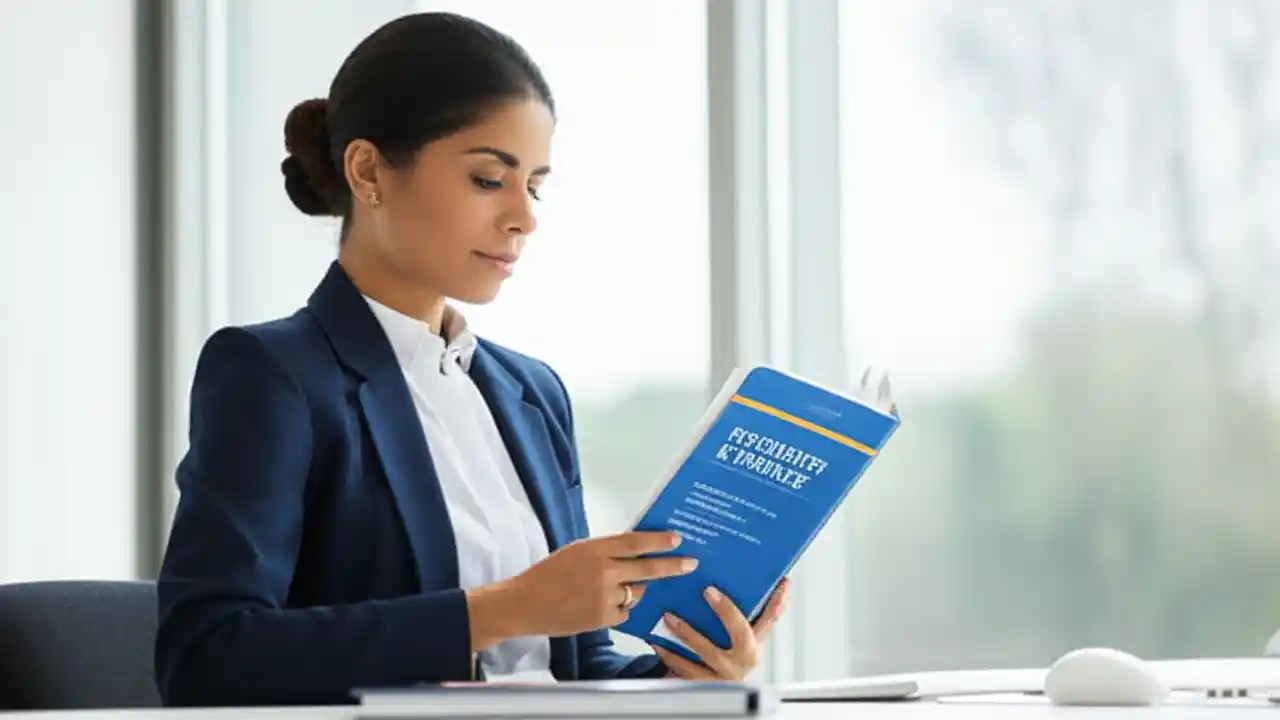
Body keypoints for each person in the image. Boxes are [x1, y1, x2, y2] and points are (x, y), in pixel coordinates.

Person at [154, 12, 789, 707]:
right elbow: (206, 656)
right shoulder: (274, 374)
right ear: (368, 171)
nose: (525, 217)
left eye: (536, 185)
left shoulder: (530, 392)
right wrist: (506, 607)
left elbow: (571, 670)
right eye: (489, 179)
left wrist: (683, 673)